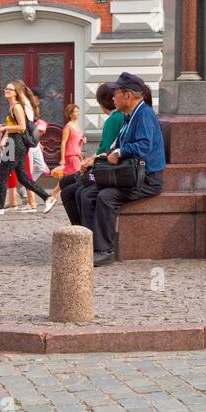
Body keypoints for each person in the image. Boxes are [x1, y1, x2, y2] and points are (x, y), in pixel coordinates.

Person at [73, 72, 165, 267]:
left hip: (145, 178)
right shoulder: (129, 115)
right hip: (129, 174)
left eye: (116, 93)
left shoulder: (144, 114)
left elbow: (144, 145)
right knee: (86, 189)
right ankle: (86, 244)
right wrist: (103, 157)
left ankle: (104, 251)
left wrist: (120, 152)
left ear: (128, 96)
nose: (113, 97)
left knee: (106, 196)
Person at [59, 83, 125, 227]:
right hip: (105, 166)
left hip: (106, 171)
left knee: (71, 190)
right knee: (66, 182)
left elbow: (106, 151)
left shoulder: (114, 119)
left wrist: (89, 163)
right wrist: (89, 160)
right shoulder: (119, 117)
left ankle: (82, 231)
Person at [0, 80, 55, 213]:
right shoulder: (12, 106)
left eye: (10, 89)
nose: (6, 90)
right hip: (15, 142)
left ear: (16, 93)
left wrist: (5, 127)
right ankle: (48, 197)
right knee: (23, 177)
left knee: (3, 174)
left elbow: (22, 127)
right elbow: (17, 125)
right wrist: (5, 127)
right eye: (6, 88)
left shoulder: (16, 107)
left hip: (15, 143)